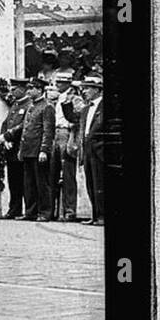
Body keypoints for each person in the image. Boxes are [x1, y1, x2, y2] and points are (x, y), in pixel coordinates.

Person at [17, 78, 56, 221]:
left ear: (39, 90)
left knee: (42, 183)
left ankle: (45, 212)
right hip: (28, 150)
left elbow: (48, 130)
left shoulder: (47, 106)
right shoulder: (30, 106)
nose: (28, 91)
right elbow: (25, 130)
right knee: (29, 184)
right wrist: (21, 149)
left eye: (31, 88)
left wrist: (44, 150)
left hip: (39, 151)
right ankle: (30, 212)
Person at [48, 72, 80, 221]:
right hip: (54, 132)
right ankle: (52, 210)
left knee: (67, 174)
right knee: (52, 173)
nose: (57, 84)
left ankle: (69, 210)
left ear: (68, 83)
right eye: (57, 82)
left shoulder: (75, 98)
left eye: (61, 82)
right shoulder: (55, 98)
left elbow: (77, 117)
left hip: (66, 132)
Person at [0, 79, 30, 218]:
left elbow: (24, 125)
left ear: (23, 89)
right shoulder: (14, 105)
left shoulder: (29, 105)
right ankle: (14, 209)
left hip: (21, 147)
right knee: (13, 181)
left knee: (24, 181)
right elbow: (6, 123)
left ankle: (25, 210)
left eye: (15, 88)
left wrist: (9, 136)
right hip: (11, 147)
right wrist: (4, 138)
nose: (12, 91)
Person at [78, 75, 105, 224]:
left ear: (97, 90)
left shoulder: (105, 106)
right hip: (88, 148)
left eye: (87, 88)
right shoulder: (86, 109)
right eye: (83, 88)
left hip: (99, 149)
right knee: (90, 182)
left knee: (100, 183)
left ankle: (102, 216)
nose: (84, 91)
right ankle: (95, 215)